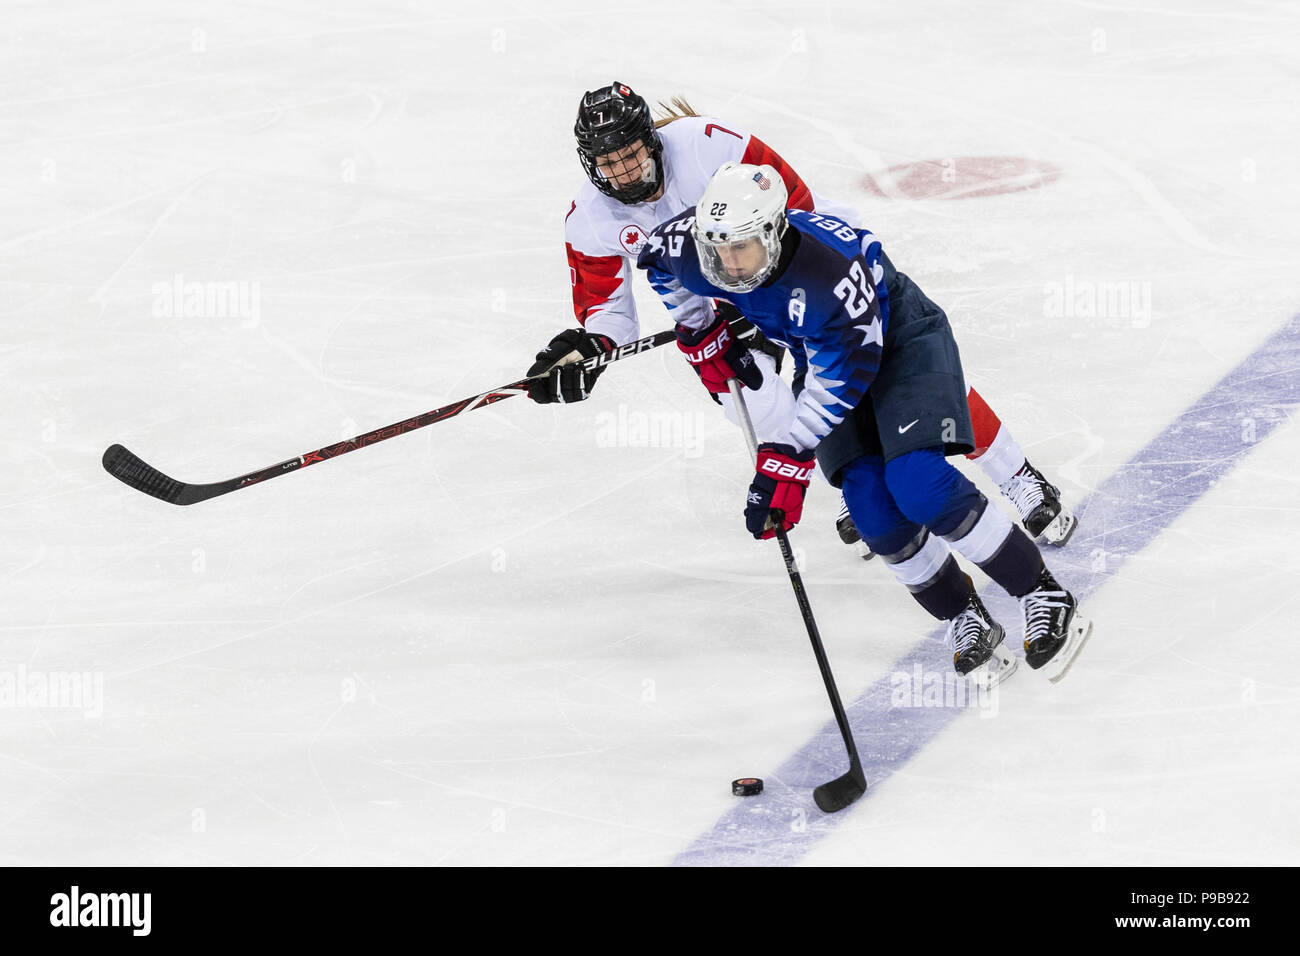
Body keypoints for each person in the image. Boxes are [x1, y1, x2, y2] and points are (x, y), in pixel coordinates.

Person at [525, 81, 1076, 555]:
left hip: (816, 273)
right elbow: (606, 310)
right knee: (769, 413)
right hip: (729, 309)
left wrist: (762, 298)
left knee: (898, 382)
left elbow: (800, 213)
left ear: (652, 138)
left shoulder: (709, 146)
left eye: (632, 155)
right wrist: (589, 346)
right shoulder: (591, 220)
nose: (623, 173)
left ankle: (1017, 474)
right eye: (608, 163)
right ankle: (860, 489)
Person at [635, 162, 1093, 684]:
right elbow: (657, 262)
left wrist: (786, 461)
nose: (729, 264)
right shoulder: (701, 249)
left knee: (919, 484)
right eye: (718, 248)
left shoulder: (829, 273)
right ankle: (963, 614)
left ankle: (1041, 590)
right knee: (875, 516)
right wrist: (700, 329)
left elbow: (840, 382)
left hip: (900, 342)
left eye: (741, 247)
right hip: (823, 351)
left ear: (774, 231)